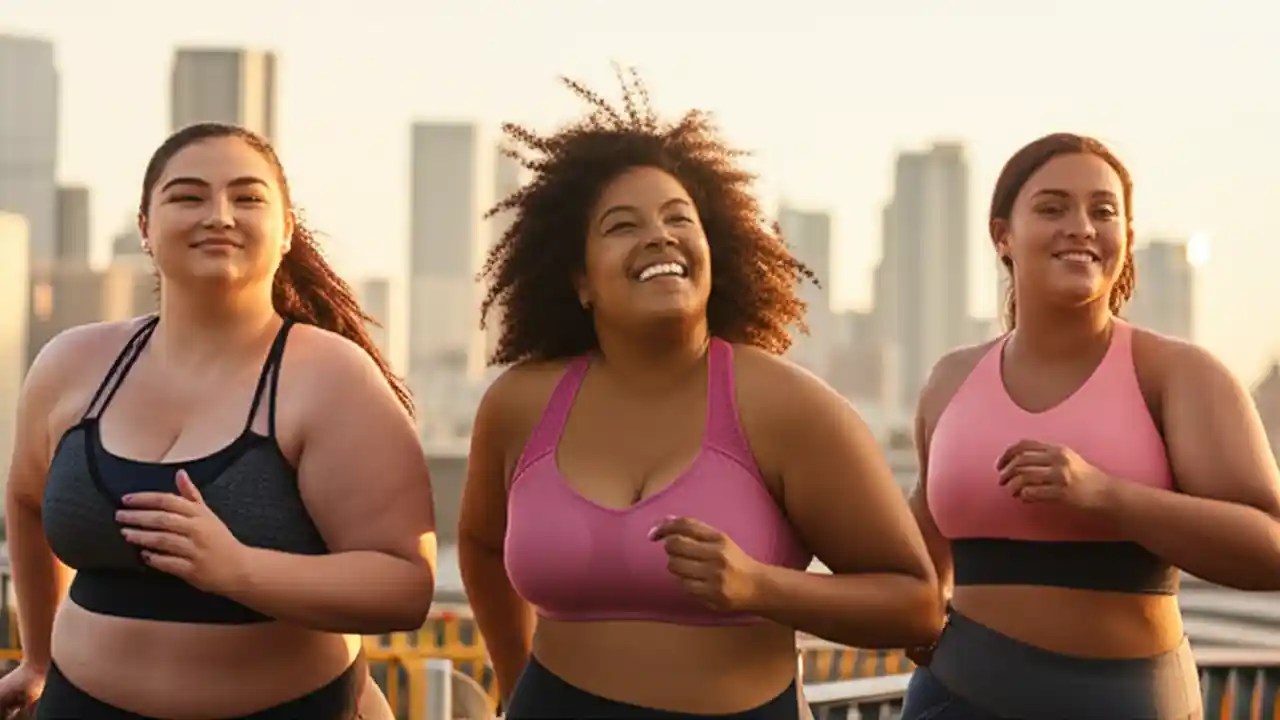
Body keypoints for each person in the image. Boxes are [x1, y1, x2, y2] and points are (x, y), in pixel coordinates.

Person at [458, 67, 941, 720]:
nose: (659, 235)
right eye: (622, 225)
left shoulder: (786, 406)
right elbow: (482, 546)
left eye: (679, 218)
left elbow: (915, 605)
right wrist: (516, 687)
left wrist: (758, 586)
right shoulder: (519, 404)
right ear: (580, 280)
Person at [0, 122, 436, 719]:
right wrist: (38, 661)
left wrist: (239, 569)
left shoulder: (332, 377)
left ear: (285, 231)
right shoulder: (71, 363)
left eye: (248, 197)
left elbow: (405, 587)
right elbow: (25, 501)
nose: (220, 215)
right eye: (187, 196)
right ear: (146, 230)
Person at [901, 132, 1280, 719]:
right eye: (1052, 208)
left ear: (1126, 238)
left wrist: (1106, 495)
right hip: (955, 699)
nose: (1080, 225)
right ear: (1003, 235)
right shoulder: (950, 381)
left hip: (1124, 704)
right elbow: (921, 552)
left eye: (1102, 211)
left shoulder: (1179, 375)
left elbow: (1271, 549)